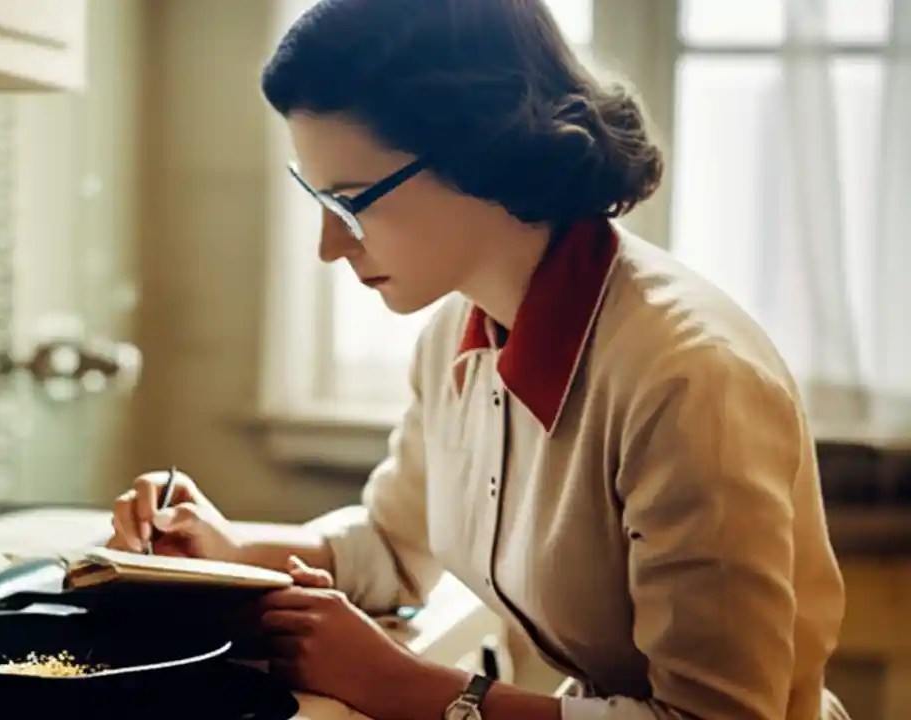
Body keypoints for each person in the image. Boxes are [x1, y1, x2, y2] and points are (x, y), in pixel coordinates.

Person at [108, 1, 849, 718]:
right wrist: (233, 549)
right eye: (320, 201)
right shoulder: (459, 329)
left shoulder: (689, 379)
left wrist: (402, 686)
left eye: (351, 203)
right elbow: (396, 545)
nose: (329, 247)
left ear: (480, 149)